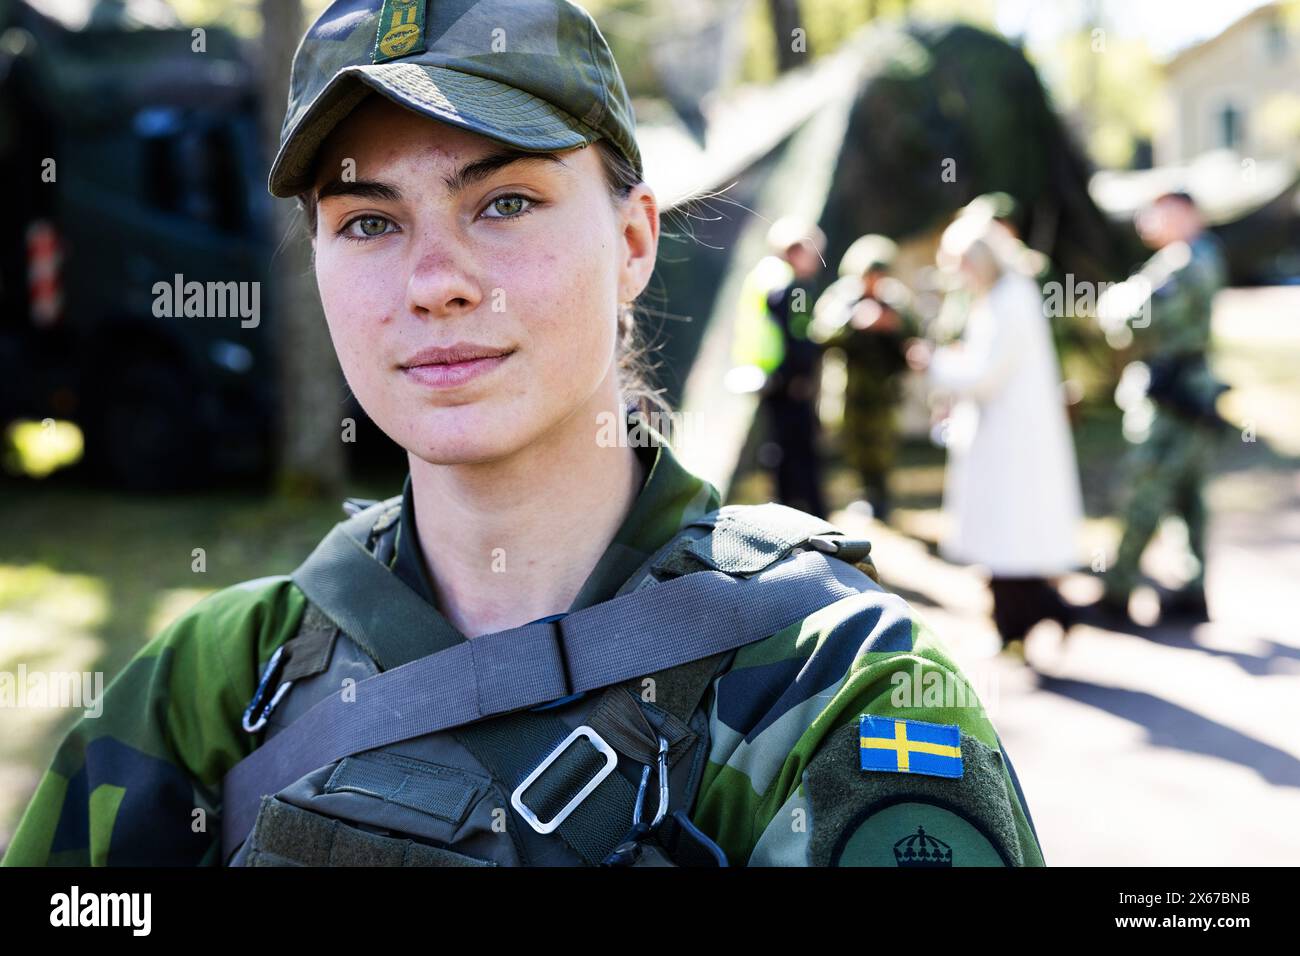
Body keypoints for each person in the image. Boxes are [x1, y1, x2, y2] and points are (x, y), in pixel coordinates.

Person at [2, 0, 1043, 868]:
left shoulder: (833, 685)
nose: (434, 281)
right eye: (368, 220)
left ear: (633, 241)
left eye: (503, 200)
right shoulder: (214, 678)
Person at [908, 210, 1084, 648]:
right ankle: (1021, 625)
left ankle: (1027, 622)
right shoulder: (1004, 297)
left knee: (1009, 540)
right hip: (1004, 437)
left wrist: (936, 365)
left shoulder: (1009, 299)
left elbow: (985, 374)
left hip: (1011, 442)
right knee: (1004, 543)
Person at [1093, 191, 1228, 623]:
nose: (1149, 219)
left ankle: (1117, 593)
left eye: (1162, 211)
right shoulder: (1203, 256)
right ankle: (1190, 590)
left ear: (1188, 214)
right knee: (1188, 494)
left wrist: (1113, 302)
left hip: (1171, 398)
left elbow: (1129, 320)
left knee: (1146, 489)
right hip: (1191, 392)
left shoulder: (1181, 262)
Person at [810, 234, 916, 521]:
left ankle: (881, 497)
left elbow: (913, 333)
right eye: (869, 274)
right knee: (853, 443)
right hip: (850, 389)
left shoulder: (895, 297)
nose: (874, 280)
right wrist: (853, 322)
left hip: (884, 388)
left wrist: (892, 325)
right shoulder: (840, 297)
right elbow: (820, 334)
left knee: (882, 444)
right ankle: (864, 494)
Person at [733, 217, 829, 517]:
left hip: (768, 377)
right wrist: (813, 356)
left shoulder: (763, 276)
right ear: (797, 250)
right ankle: (813, 517)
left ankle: (788, 513)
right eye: (814, 254)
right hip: (788, 383)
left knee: (779, 450)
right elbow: (798, 335)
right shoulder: (790, 287)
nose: (817, 262)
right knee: (799, 454)